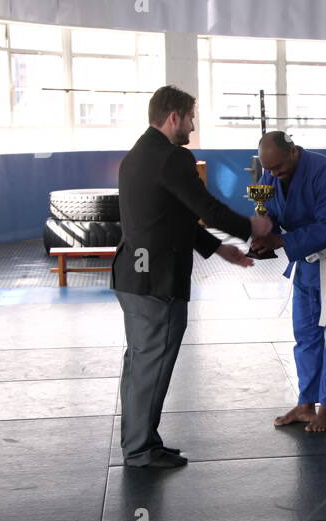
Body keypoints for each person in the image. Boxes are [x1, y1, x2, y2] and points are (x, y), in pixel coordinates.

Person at [113, 85, 272, 469]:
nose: (192, 125)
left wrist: (218, 249)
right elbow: (208, 210)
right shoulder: (172, 159)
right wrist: (253, 227)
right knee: (151, 365)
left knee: (139, 364)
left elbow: (173, 217)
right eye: (190, 117)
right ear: (173, 118)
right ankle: (140, 451)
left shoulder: (138, 155)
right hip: (157, 281)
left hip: (134, 276)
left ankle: (141, 441)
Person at [252, 131, 326, 433]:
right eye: (268, 170)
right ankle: (305, 404)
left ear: (293, 151)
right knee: (305, 335)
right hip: (304, 265)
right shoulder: (269, 176)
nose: (273, 174)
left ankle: (325, 408)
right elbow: (266, 209)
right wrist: (263, 232)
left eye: (277, 167)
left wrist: (282, 241)